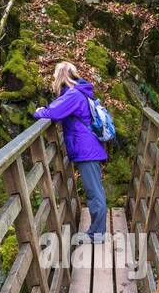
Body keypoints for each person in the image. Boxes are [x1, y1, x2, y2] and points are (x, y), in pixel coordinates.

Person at [33, 61, 108, 242]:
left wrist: (39, 111)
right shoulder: (76, 92)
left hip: (87, 149)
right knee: (94, 191)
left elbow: (52, 113)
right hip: (88, 148)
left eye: (54, 77)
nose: (53, 81)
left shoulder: (73, 95)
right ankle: (97, 232)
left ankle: (97, 235)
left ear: (61, 76)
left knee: (94, 192)